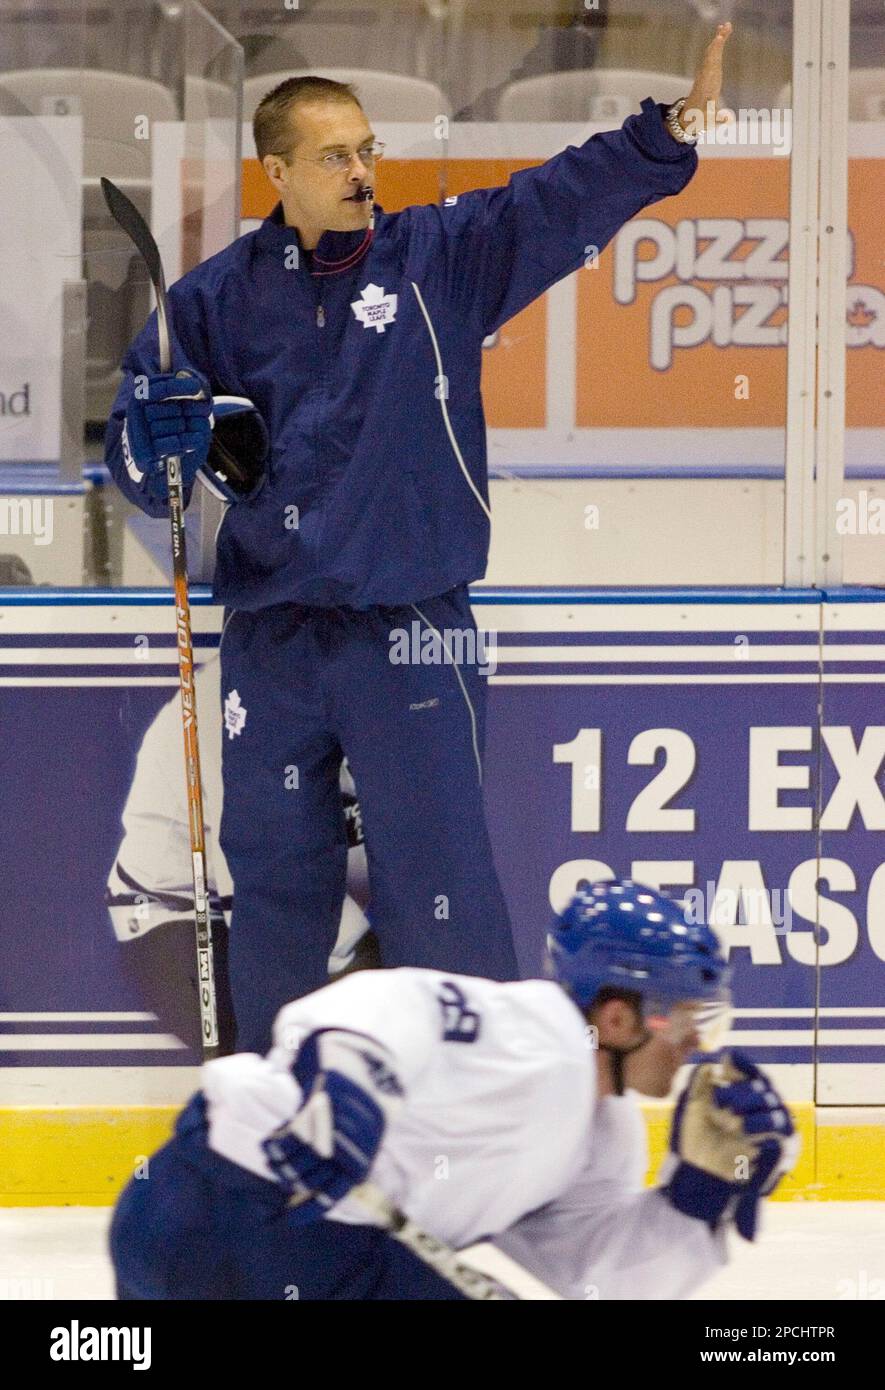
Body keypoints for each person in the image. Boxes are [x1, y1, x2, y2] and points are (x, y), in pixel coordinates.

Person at [105, 26, 733, 1052]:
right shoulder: (213, 301)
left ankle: (481, 1111)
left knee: (440, 881)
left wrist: (663, 138)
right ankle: (283, 1120)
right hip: (271, 639)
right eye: (334, 156)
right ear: (278, 172)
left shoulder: (443, 258)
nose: (362, 172)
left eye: (367, 150)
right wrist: (152, 436)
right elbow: (140, 469)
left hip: (412, 632)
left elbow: (557, 200)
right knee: (272, 890)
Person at [109, 877, 796, 1301]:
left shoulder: (599, 1137)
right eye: (682, 1018)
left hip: (235, 1235)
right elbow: (387, 1004)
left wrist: (695, 1195)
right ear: (616, 1017)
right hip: (227, 1204)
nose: (696, 1044)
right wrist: (351, 1078)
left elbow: (600, 1278)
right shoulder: (526, 1028)